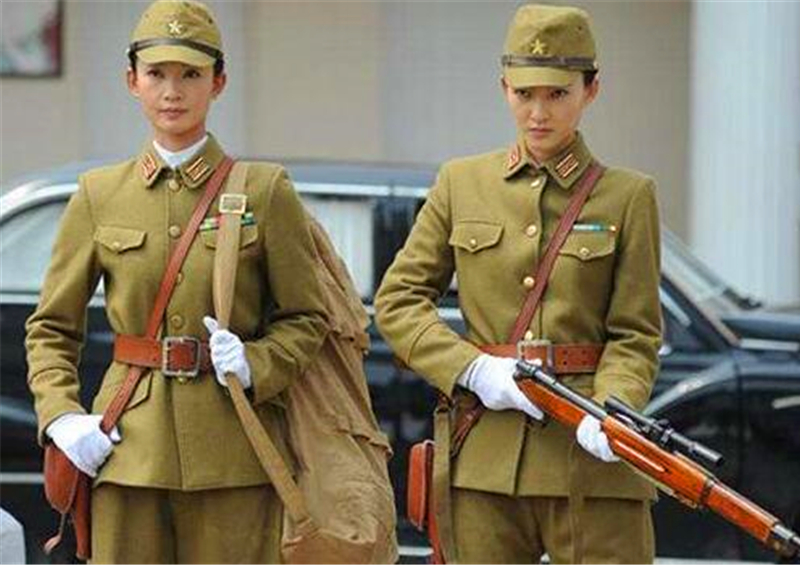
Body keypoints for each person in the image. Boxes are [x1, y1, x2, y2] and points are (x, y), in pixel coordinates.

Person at [25, 1, 329, 562]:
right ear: (132, 81)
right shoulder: (99, 194)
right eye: (157, 74)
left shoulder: (263, 190)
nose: (172, 91)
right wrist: (62, 416)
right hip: (126, 448)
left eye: (190, 74)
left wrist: (256, 362)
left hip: (234, 452)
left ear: (218, 83)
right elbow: (51, 328)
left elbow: (306, 318)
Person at [375, 4, 661, 563]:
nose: (538, 112)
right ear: (504, 88)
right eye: (524, 93)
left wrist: (614, 408)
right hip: (484, 457)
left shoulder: (628, 196)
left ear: (591, 90)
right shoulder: (462, 182)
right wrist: (472, 369)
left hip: (590, 455)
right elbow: (399, 300)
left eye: (557, 94)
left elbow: (636, 335)